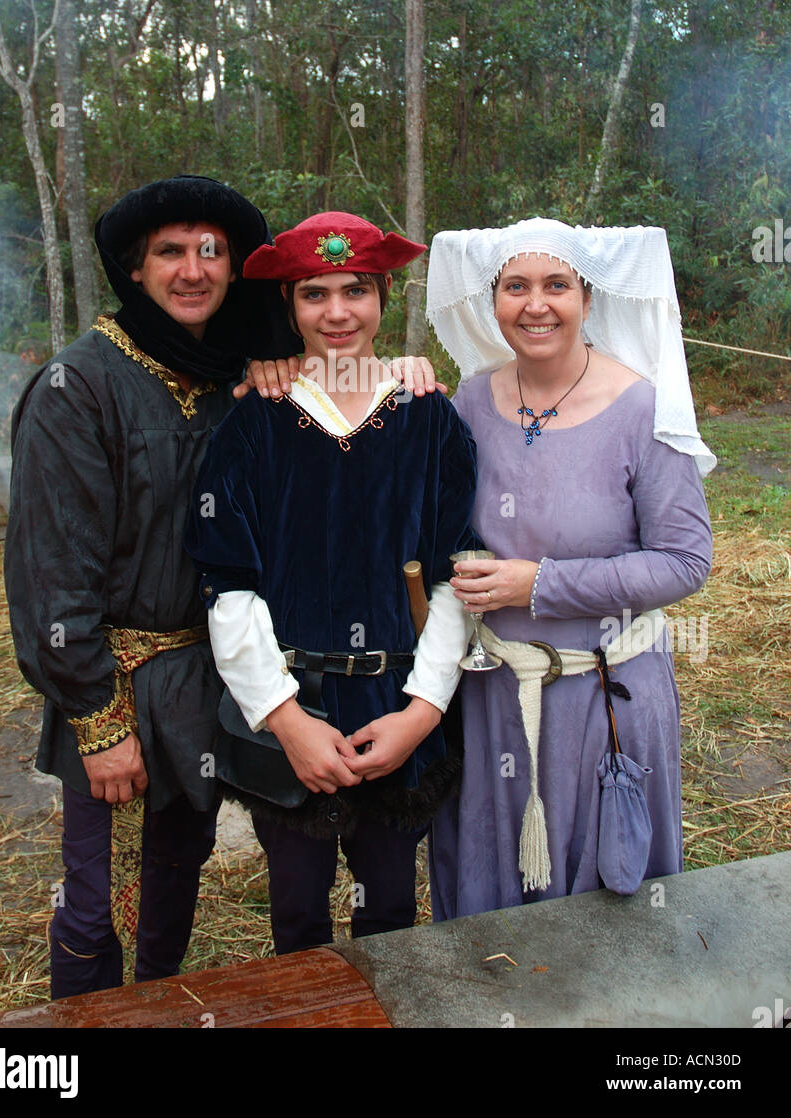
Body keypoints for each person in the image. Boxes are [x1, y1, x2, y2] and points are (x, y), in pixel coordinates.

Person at [4, 174, 303, 998]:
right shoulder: (81, 385)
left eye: (212, 250)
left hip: (205, 682)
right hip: (119, 684)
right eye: (170, 252)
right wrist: (97, 725)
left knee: (174, 885)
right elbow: (51, 571)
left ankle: (156, 1011)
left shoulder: (230, 374)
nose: (193, 269)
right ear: (135, 268)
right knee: (100, 905)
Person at [185, 212, 477, 954]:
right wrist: (285, 720)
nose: (338, 313)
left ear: (383, 296)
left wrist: (422, 711)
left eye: (356, 290)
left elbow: (453, 575)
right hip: (295, 711)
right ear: (289, 307)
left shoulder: (429, 418)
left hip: (396, 707)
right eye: (315, 294)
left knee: (389, 918)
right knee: (300, 923)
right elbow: (229, 583)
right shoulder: (255, 424)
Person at [425, 217, 714, 917]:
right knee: (498, 893)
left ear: (587, 296)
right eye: (515, 286)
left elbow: (685, 561)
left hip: (604, 695)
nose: (536, 304)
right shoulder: (471, 400)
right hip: (497, 694)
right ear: (492, 300)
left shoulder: (642, 408)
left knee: (602, 899)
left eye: (557, 285)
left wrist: (542, 582)